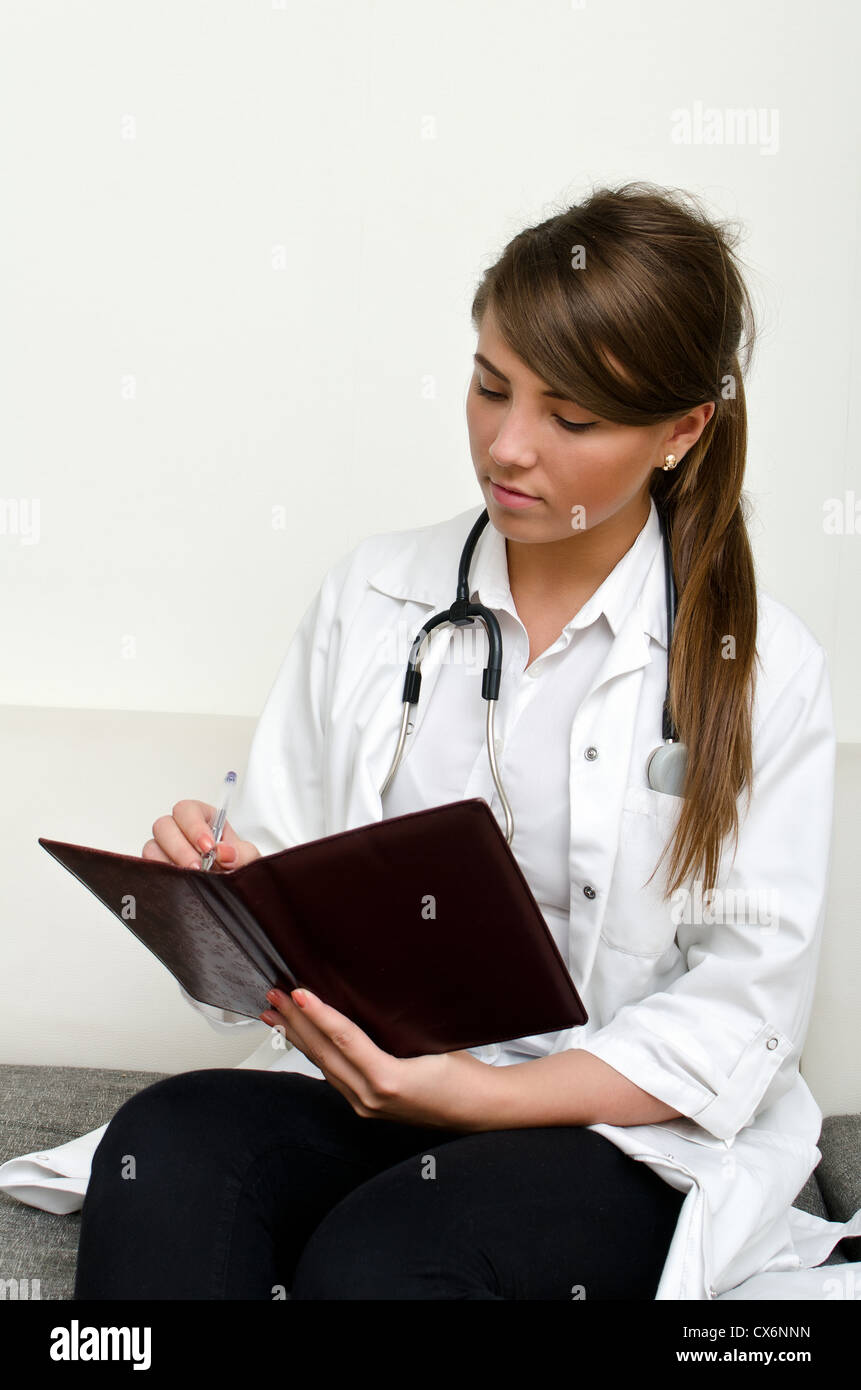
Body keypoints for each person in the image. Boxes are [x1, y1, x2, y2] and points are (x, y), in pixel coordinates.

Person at [72, 182, 860, 1301]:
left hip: (604, 1134)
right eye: (491, 386)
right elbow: (286, 884)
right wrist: (226, 896)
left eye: (572, 419)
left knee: (386, 1264)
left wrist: (472, 1098)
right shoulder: (373, 595)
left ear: (683, 432)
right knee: (166, 1146)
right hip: (374, 1088)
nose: (508, 445)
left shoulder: (761, 667)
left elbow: (740, 1018)